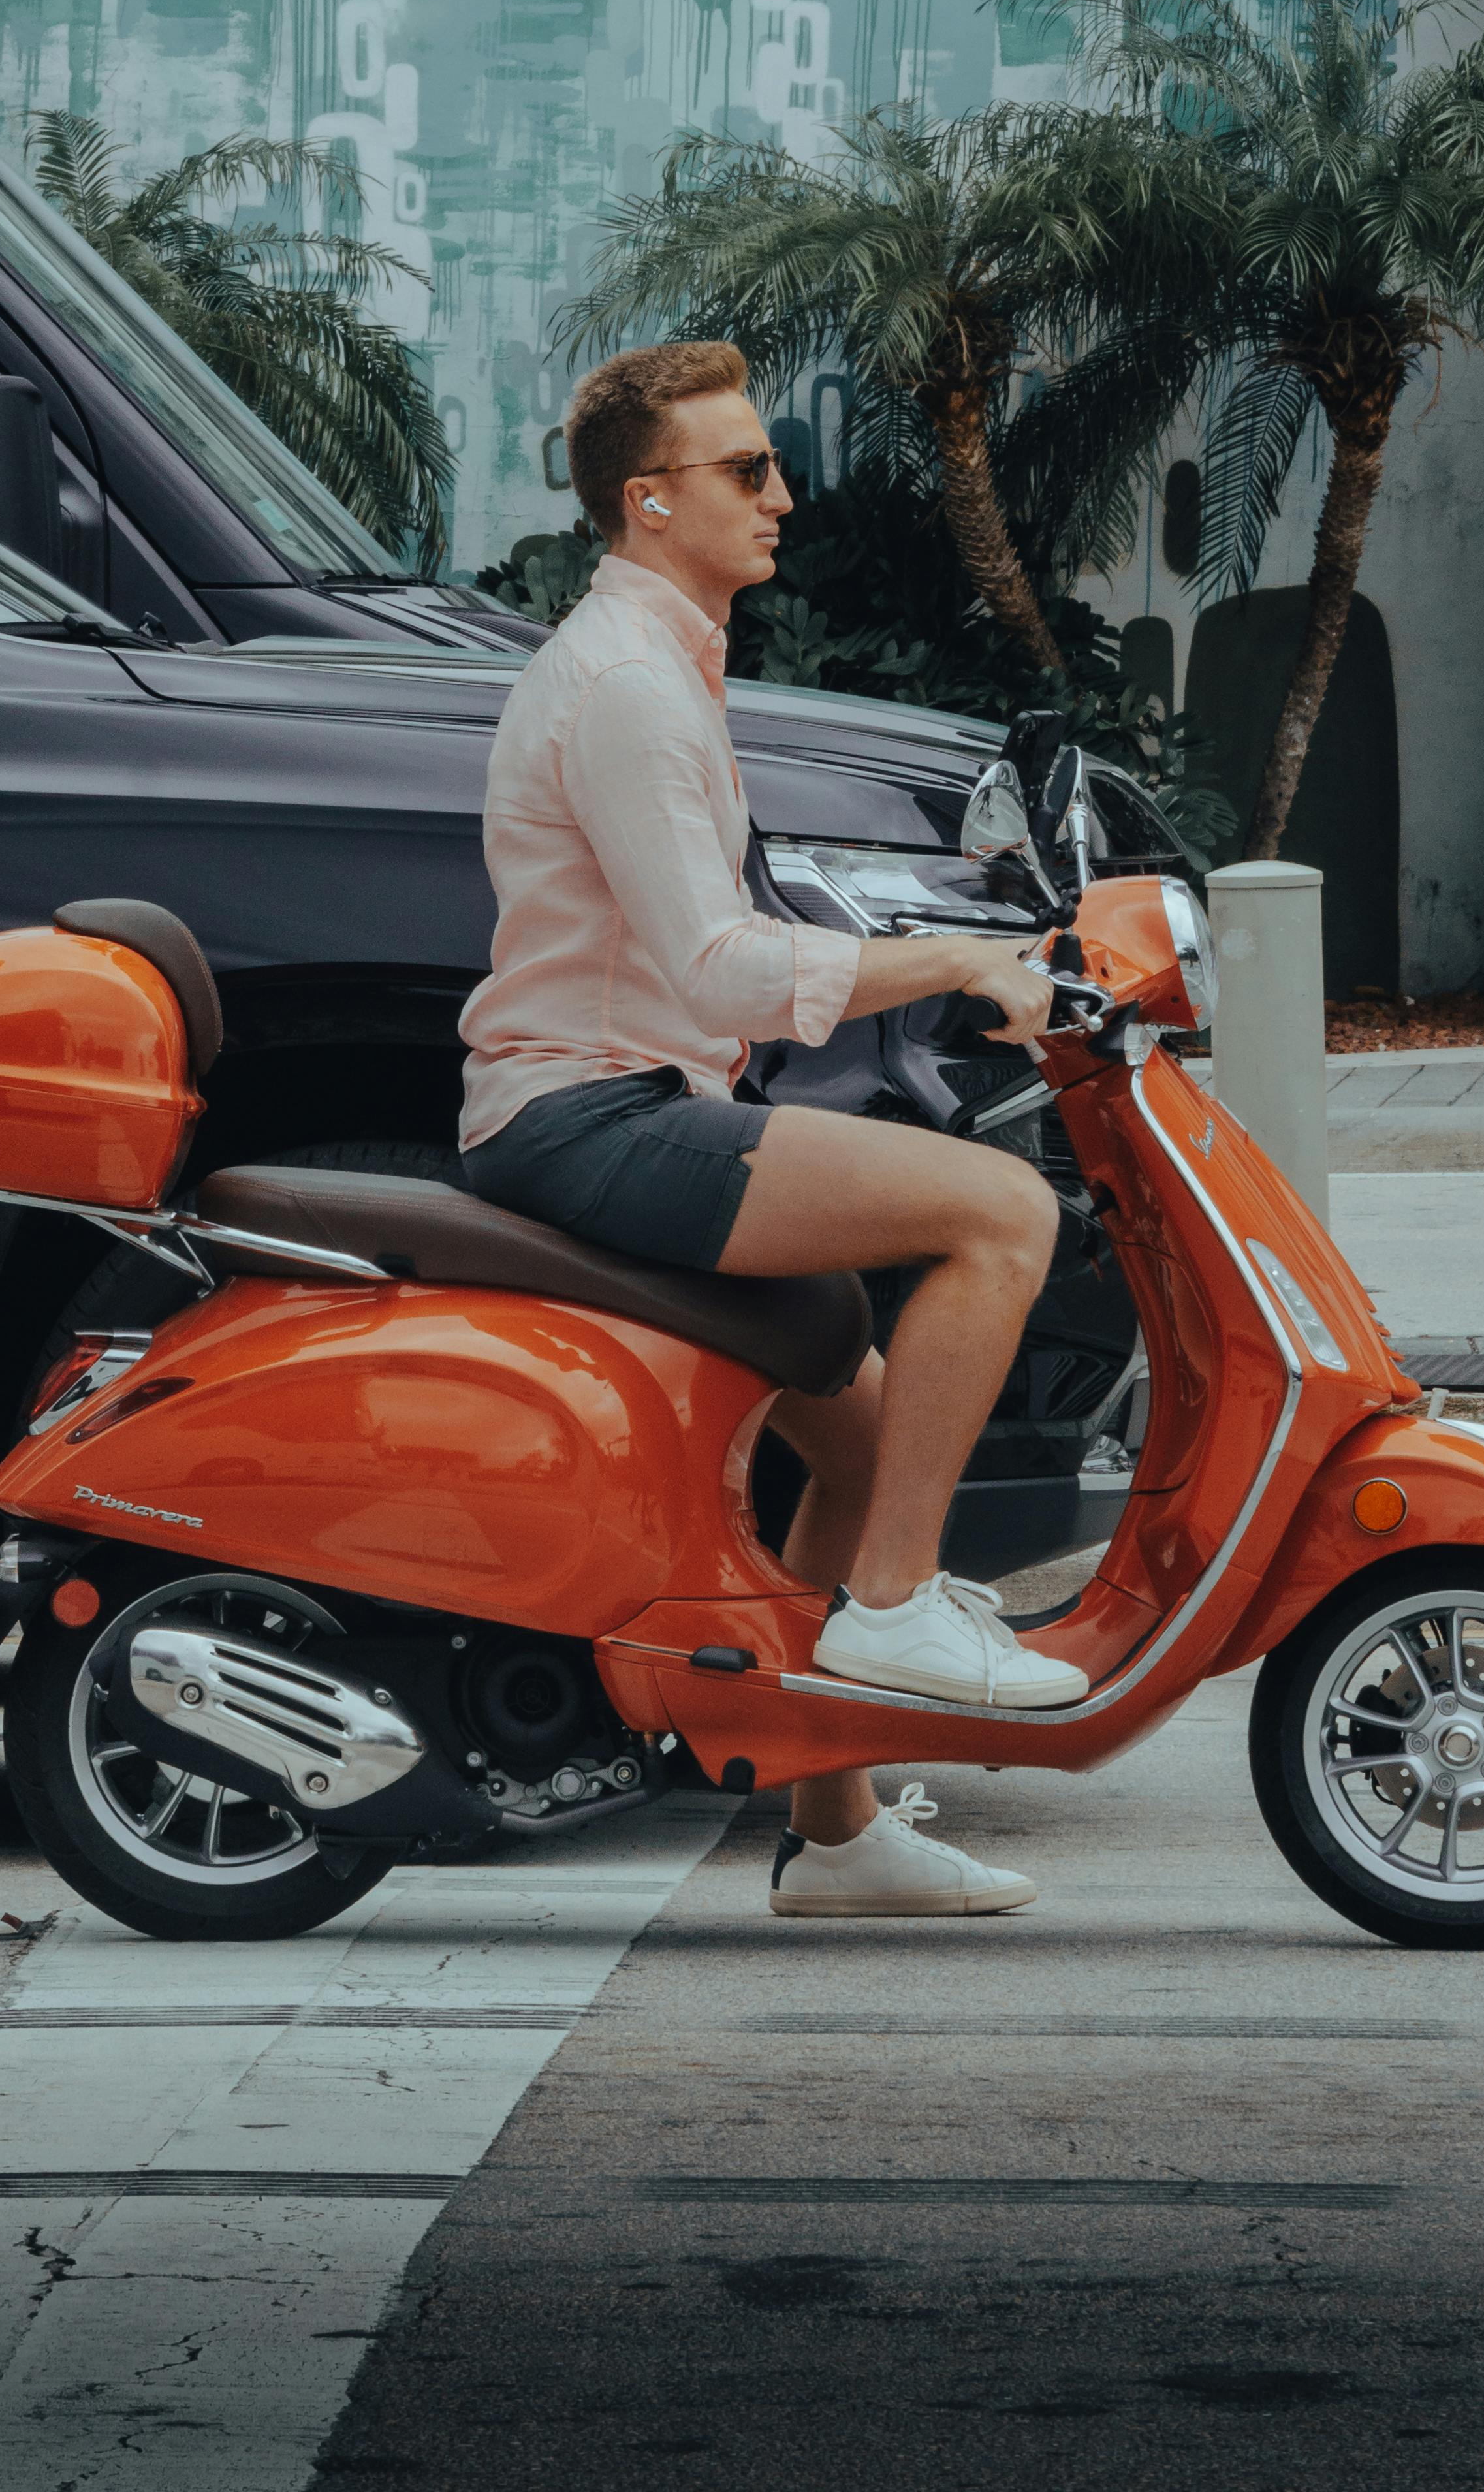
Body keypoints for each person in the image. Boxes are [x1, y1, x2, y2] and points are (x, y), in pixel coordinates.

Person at [458, 339, 1088, 1921]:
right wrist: (951, 964)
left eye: (772, 465)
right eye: (746, 472)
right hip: (591, 1117)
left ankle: (837, 1836)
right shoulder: (625, 687)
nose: (781, 496)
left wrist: (945, 926)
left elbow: (718, 921)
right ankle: (891, 1609)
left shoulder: (659, 664)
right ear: (647, 500)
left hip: (634, 1096)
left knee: (865, 1434)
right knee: (1000, 1215)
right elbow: (713, 963)